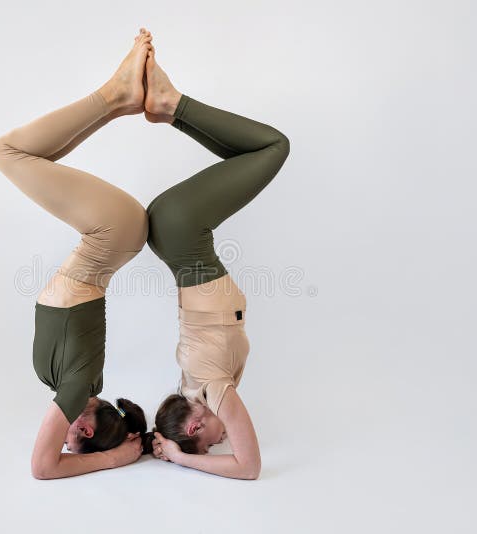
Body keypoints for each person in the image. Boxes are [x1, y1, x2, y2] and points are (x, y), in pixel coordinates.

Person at [0, 28, 155, 479]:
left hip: (111, 237)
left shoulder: (68, 383)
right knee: (8, 152)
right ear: (83, 428)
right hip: (111, 233)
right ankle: (114, 94)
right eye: (71, 440)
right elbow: (43, 468)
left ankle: (119, 100)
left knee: (26, 155)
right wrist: (116, 457)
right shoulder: (78, 389)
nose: (61, 439)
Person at [141, 42, 290, 480]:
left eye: (210, 443)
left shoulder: (210, 390)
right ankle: (170, 109)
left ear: (196, 425)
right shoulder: (196, 387)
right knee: (251, 155)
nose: (219, 443)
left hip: (183, 232)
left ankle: (172, 104)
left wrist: (183, 456)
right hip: (177, 235)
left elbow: (249, 468)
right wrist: (166, 443)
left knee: (273, 147)